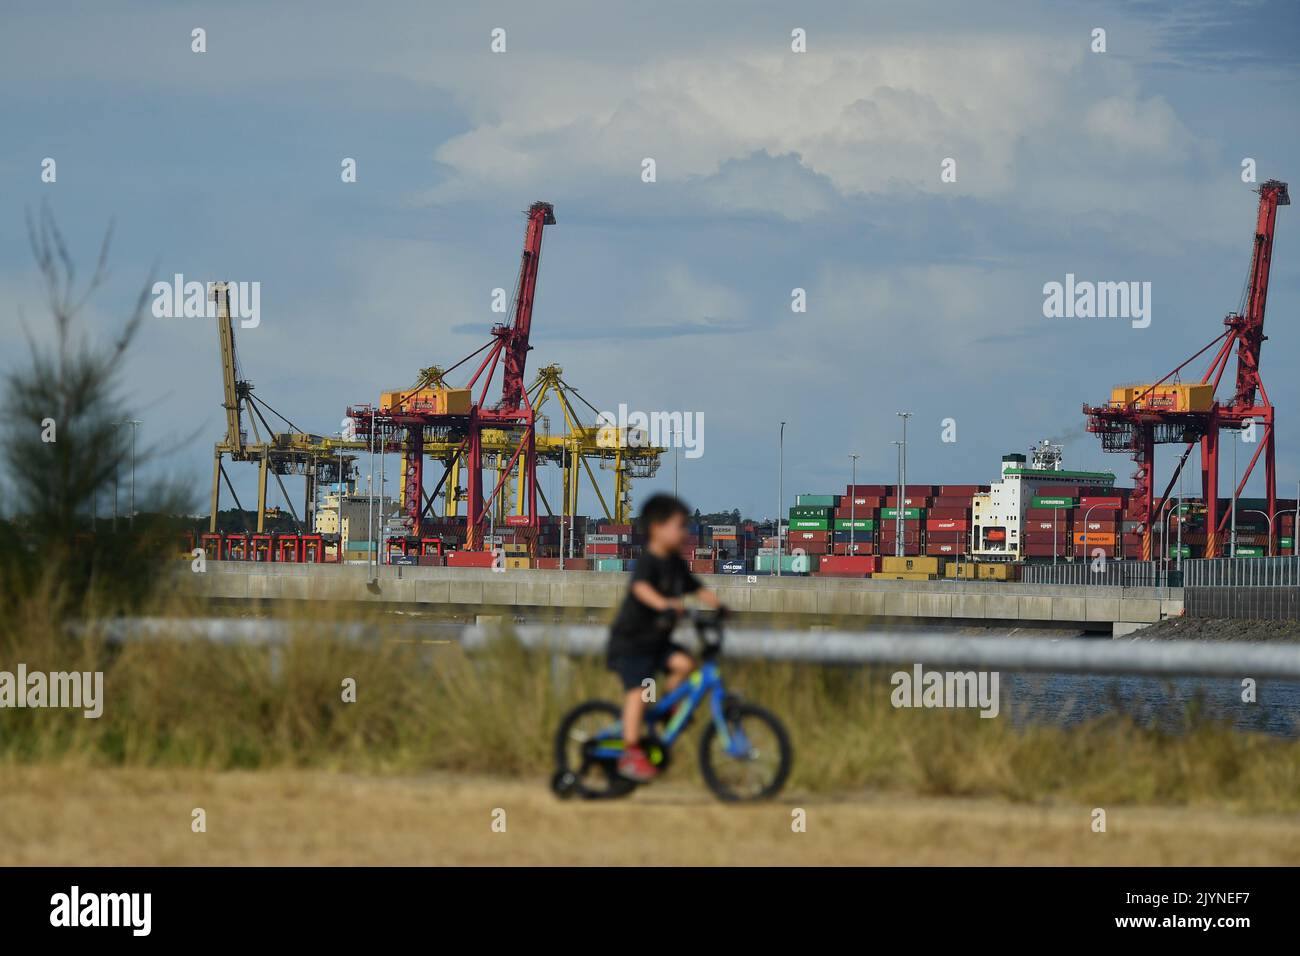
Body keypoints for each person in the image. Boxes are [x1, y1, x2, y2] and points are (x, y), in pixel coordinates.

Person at [607, 494, 721, 781]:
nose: (685, 532)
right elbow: (640, 589)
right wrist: (666, 604)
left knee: (686, 665)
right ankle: (631, 753)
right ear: (657, 528)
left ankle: (669, 709)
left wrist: (719, 605)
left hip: (658, 642)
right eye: (679, 526)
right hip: (632, 642)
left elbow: (696, 587)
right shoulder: (648, 561)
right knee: (638, 694)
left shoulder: (675, 564)